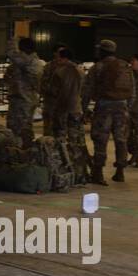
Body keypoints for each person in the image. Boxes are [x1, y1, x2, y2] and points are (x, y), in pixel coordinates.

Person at [81, 39, 134, 184]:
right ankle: (120, 172)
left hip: (104, 107)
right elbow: (132, 91)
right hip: (122, 108)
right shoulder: (125, 66)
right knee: (121, 140)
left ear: (102, 51)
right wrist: (127, 107)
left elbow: (87, 91)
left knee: (100, 139)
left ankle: (98, 173)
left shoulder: (97, 67)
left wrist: (83, 109)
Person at [42, 47, 88, 181]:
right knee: (76, 142)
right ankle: (80, 172)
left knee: (60, 141)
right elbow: (84, 91)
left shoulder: (59, 72)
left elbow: (52, 90)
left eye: (58, 57)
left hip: (62, 109)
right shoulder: (80, 71)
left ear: (62, 58)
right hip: (76, 109)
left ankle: (62, 170)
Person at [5, 36, 44, 149]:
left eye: (21, 49)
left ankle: (24, 153)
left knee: (22, 129)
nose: (19, 52)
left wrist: (13, 40)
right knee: (15, 127)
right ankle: (19, 151)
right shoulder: (26, 62)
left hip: (24, 101)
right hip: (20, 100)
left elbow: (12, 54)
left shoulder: (29, 61)